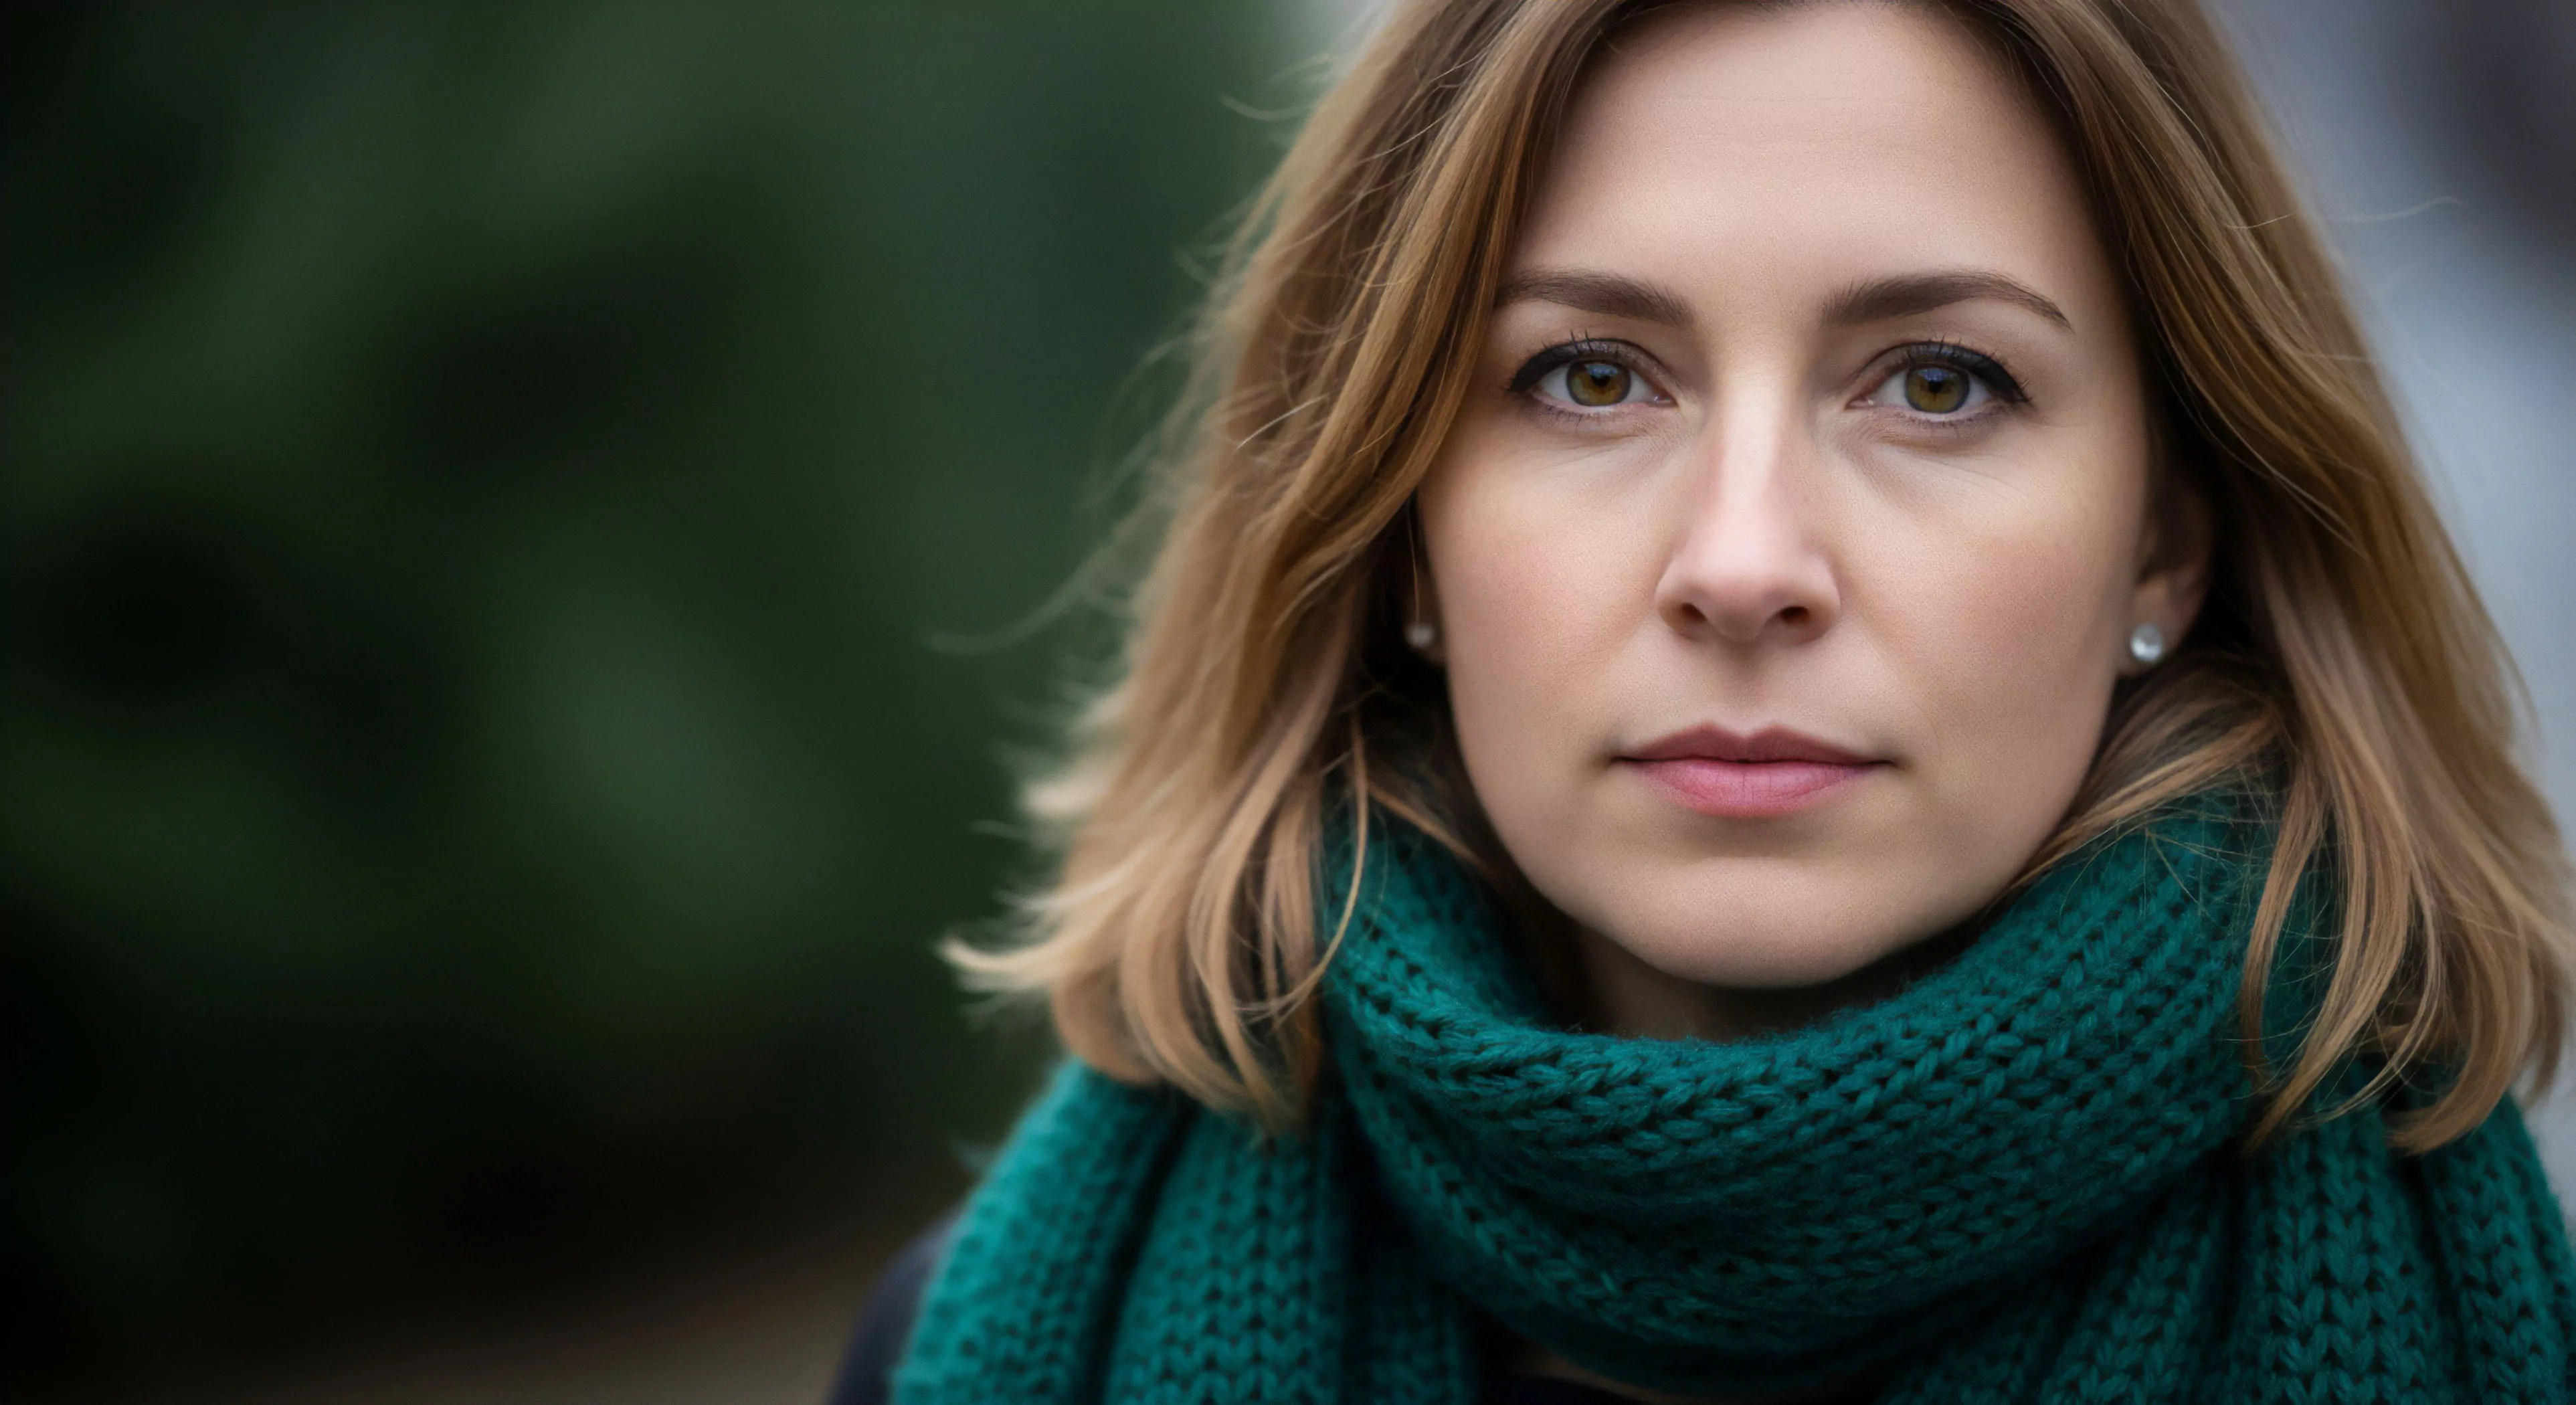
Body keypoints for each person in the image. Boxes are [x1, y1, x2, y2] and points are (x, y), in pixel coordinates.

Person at [834, 1, 2576, 1400]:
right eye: (1591, 378)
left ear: (2166, 538)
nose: (1745, 565)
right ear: (1405, 525)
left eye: (1939, 383)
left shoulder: (2492, 1322)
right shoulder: (972, 1344)